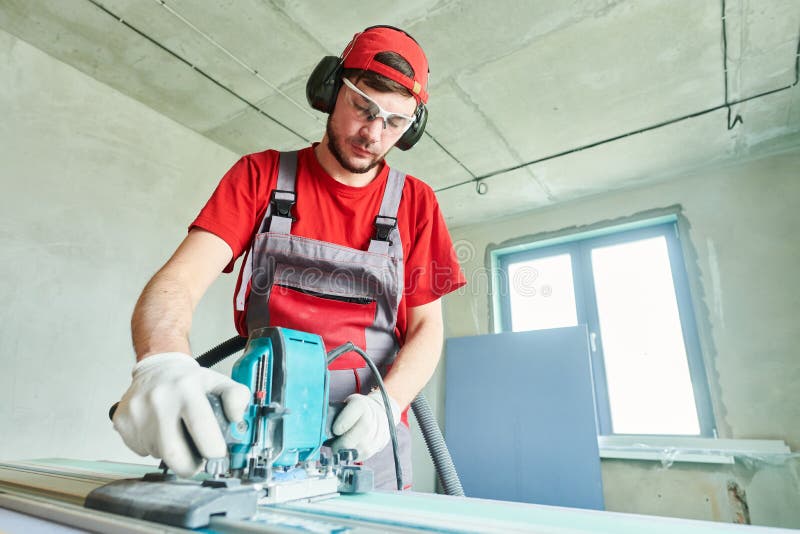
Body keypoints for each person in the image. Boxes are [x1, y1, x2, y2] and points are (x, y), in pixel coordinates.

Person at [112, 25, 466, 490]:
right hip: (261, 429)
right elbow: (177, 282)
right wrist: (163, 361)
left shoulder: (416, 204)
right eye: (364, 107)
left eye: (395, 122)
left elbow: (427, 329)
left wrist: (387, 406)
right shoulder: (259, 176)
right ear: (330, 89)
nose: (374, 133)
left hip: (366, 438)